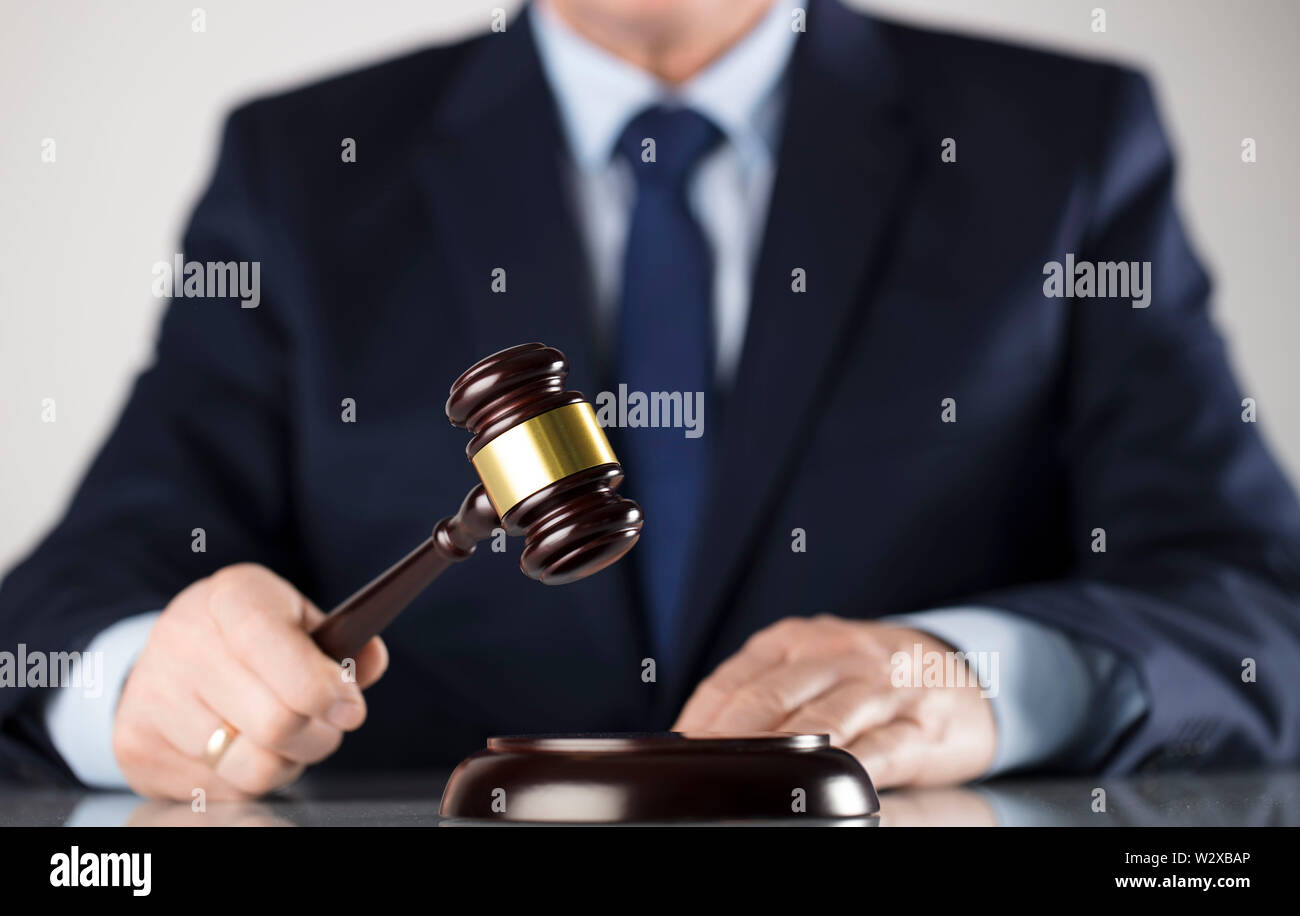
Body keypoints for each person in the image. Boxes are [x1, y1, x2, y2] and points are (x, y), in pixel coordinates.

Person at [2, 0, 1299, 801]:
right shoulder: (301, 168)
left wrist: (982, 677)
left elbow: (1258, 610)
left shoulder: (1062, 141)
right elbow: (61, 611)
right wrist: (145, 687)